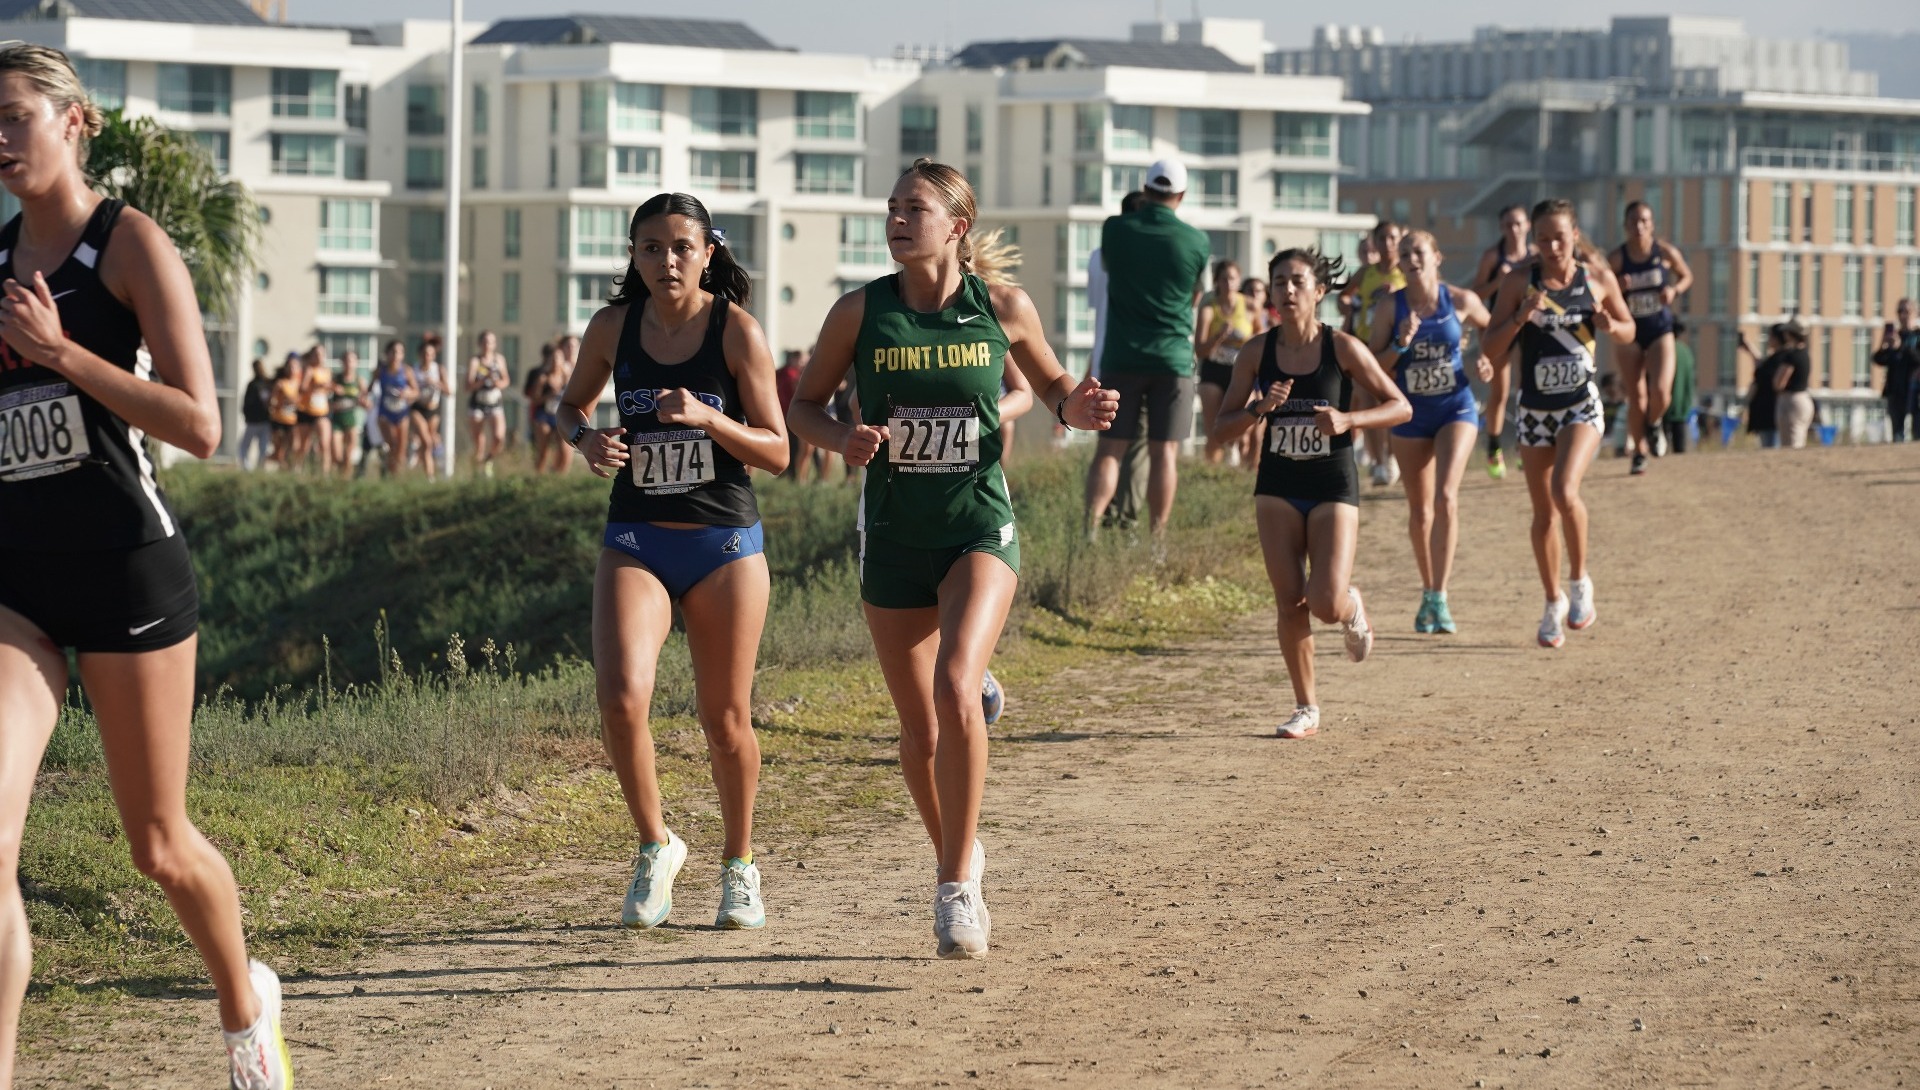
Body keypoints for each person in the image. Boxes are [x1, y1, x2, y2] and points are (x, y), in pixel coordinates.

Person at [0, 42, 290, 1089]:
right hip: (17, 588)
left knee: (158, 846)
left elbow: (203, 424)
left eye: (14, 117)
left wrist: (67, 355)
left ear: (75, 123)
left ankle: (245, 1011)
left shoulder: (127, 244)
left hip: (127, 568)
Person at [788, 159, 1117, 959]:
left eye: (916, 208)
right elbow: (803, 405)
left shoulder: (1000, 306)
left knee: (953, 687)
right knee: (919, 733)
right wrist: (844, 438)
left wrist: (1082, 406)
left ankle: (953, 890)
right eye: (892, 207)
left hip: (978, 524)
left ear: (956, 226)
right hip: (895, 533)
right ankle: (961, 848)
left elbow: (1054, 389)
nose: (898, 219)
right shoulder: (858, 312)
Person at [556, 191, 788, 932]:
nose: (666, 261)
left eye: (681, 247)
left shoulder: (737, 332)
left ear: (708, 252)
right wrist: (585, 439)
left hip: (722, 545)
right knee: (622, 696)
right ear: (634, 256)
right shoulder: (611, 327)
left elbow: (781, 451)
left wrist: (710, 418)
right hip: (637, 539)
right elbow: (567, 406)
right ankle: (656, 844)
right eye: (650, 248)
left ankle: (740, 865)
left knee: (724, 720)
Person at [1208, 246, 1410, 739]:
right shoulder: (1257, 351)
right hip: (1278, 484)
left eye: (1298, 281)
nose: (1288, 290)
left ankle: (1350, 606)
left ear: (1320, 292)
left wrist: (1349, 419)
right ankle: (1306, 707)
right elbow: (1219, 430)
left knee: (1322, 600)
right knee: (1289, 601)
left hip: (1331, 482)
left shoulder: (1342, 348)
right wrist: (1259, 408)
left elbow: (1399, 406)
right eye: (1279, 282)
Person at [1480, 198, 1636, 649]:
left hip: (1580, 405)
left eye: (1559, 237)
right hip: (1534, 409)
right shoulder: (1518, 282)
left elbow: (1628, 331)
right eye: (1543, 238)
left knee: (1564, 491)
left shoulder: (1597, 278)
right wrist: (1518, 317)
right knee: (1543, 513)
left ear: (1575, 236)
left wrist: (1611, 326)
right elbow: (1491, 348)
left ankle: (1580, 582)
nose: (1551, 246)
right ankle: (1552, 602)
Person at [1368, 230, 1492, 635]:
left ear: (1436, 257)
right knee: (1420, 511)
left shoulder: (1460, 300)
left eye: (1418, 252)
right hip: (1410, 414)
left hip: (1456, 405)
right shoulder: (1390, 308)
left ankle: (1441, 593)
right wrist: (1401, 345)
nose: (1410, 259)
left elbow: (1495, 330)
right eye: (1404, 254)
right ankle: (1427, 594)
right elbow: (1374, 368)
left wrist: (1487, 358)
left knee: (1446, 496)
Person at [1082, 158, 1208, 545]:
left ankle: (1089, 532)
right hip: (1173, 360)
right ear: (1181, 195)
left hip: (1122, 358)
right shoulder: (1196, 241)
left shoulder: (1116, 230)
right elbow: (1194, 298)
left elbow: (1109, 268)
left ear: (1146, 188)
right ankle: (1157, 541)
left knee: (1110, 450)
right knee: (1164, 453)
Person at [1610, 200, 1694, 475]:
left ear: (1652, 225)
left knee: (1661, 392)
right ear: (1625, 226)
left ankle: (1654, 424)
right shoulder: (1618, 258)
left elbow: (1686, 275)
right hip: (1630, 332)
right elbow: (1600, 288)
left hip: (1659, 329)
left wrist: (1673, 291)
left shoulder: (1664, 251)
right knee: (1637, 397)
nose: (1639, 227)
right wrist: (1617, 288)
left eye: (1644, 221)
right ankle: (1639, 452)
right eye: (1633, 221)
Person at [1088, 189, 1150, 530]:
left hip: (1103, 359)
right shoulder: (1143, 256)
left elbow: (1099, 311)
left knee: (1107, 447)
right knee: (1137, 447)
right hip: (1135, 359)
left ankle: (1093, 525)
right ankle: (1124, 522)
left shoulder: (1098, 255)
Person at [1469, 204, 1535, 480]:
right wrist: (1499, 281)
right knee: (1500, 391)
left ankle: (1524, 447)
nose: (1514, 229)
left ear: (1528, 226)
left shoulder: (1534, 256)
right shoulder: (1492, 256)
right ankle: (1494, 449)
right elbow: (1476, 293)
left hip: (1529, 326)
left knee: (1528, 388)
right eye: (1508, 224)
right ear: (1501, 228)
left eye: (1518, 223)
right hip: (1500, 324)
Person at [1350, 220, 1407, 486]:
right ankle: (1378, 460)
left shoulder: (1405, 271)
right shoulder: (1365, 273)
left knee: (1394, 400)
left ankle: (1393, 457)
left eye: (1392, 238)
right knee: (1367, 398)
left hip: (1397, 344)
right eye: (1382, 238)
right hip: (1366, 342)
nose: (1387, 244)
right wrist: (1349, 305)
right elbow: (1344, 296)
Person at [1195, 259, 1254, 464]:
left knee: (1242, 426)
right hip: (1212, 370)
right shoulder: (1209, 308)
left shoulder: (1248, 305)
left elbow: (1261, 335)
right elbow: (1199, 349)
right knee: (1214, 431)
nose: (1229, 283)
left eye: (1233, 278)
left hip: (1241, 371)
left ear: (1239, 281)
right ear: (1217, 281)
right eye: (1224, 278)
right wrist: (1218, 337)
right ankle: (1212, 472)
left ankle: (1237, 461)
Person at [1872, 299, 1919, 442]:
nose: (1903, 315)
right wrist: (1884, 344)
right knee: (1897, 433)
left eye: (1907, 311)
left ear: (1915, 314)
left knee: (1917, 431)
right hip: (1895, 390)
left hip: (1915, 390)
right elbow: (1879, 359)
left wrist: (1901, 347)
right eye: (1900, 311)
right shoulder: (1895, 336)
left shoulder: (1917, 336)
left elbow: (1917, 359)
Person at [465, 329, 510, 477]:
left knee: (499, 437)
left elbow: (506, 381)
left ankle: (488, 460)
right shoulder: (475, 361)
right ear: (480, 344)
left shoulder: (499, 360)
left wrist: (497, 382)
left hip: (494, 402)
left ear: (495, 344)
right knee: (479, 442)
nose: (487, 345)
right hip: (478, 402)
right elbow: (468, 386)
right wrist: (484, 380)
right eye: (485, 342)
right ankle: (476, 472)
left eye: (490, 342)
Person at [372, 338, 418, 476]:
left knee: (401, 448)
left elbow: (416, 392)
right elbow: (369, 389)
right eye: (393, 352)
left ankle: (397, 476)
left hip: (401, 412)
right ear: (387, 354)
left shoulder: (407, 371)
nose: (396, 355)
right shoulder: (380, 371)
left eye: (400, 352)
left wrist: (407, 393)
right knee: (392, 443)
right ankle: (388, 472)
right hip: (385, 412)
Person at [1766, 320, 1814, 448]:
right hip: (1804, 398)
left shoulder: (1792, 356)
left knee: (1791, 440)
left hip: (1791, 401)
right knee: (1799, 437)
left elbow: (1780, 382)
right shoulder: (1805, 354)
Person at [1737, 325, 1785, 448]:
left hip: (1770, 412)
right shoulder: (1776, 359)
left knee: (1771, 446)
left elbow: (1763, 373)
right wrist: (1749, 347)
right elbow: (1761, 365)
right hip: (1767, 412)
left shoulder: (1781, 359)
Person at [410, 333, 448, 479]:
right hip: (418, 408)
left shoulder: (438, 370)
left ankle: (429, 474)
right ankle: (430, 475)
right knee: (426, 441)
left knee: (430, 442)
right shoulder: (414, 370)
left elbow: (449, 391)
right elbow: (410, 390)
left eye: (430, 354)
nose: (427, 357)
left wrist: (435, 383)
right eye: (425, 354)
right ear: (420, 354)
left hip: (433, 409)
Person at [774, 348, 813, 480]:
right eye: (800, 360)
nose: (801, 363)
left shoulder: (788, 373)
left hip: (790, 413)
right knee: (795, 447)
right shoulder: (790, 374)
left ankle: (794, 475)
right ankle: (792, 474)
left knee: (800, 448)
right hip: (789, 413)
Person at [293, 344, 332, 473]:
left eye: (321, 354)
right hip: (306, 410)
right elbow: (301, 389)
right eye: (316, 354)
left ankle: (324, 474)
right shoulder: (309, 370)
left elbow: (328, 390)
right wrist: (314, 386)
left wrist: (331, 388)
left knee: (324, 443)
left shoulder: (327, 372)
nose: (319, 357)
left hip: (321, 411)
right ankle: (298, 469)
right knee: (304, 445)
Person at [329, 347, 364, 477]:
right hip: (337, 419)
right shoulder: (336, 378)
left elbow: (365, 398)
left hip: (352, 419)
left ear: (356, 363)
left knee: (349, 455)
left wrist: (363, 401)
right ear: (342, 362)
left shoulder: (359, 381)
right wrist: (333, 388)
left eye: (352, 360)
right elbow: (325, 390)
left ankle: (346, 479)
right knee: (337, 454)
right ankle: (339, 475)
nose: (349, 363)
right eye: (346, 360)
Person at [1663, 317, 1695, 454]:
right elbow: (1690, 382)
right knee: (1680, 450)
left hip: (1662, 407)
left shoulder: (1662, 349)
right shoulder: (1686, 352)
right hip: (1681, 408)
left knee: (1660, 449)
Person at [266, 352, 300, 469]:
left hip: (293, 421)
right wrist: (279, 403)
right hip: (279, 419)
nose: (292, 369)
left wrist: (296, 401)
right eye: (290, 366)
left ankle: (290, 468)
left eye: (294, 366)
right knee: (278, 451)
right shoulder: (280, 384)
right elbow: (272, 401)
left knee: (294, 446)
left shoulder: (299, 384)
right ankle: (266, 462)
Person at [238, 357, 273, 470]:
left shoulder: (266, 383)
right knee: (248, 446)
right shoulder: (254, 384)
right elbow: (247, 403)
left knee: (262, 447)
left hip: (262, 421)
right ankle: (249, 467)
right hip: (255, 421)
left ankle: (258, 467)